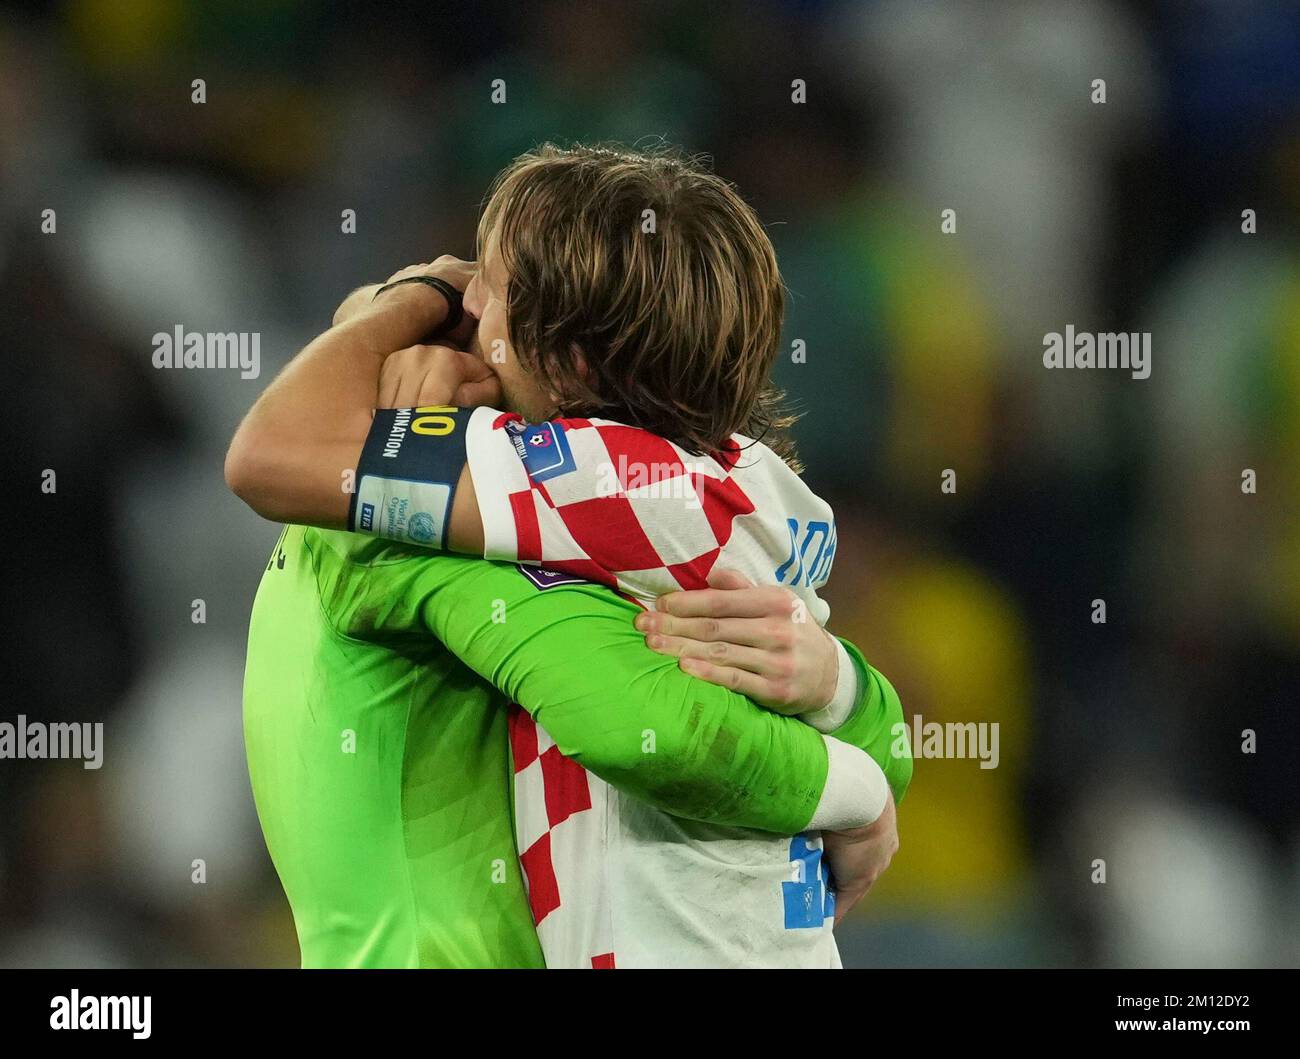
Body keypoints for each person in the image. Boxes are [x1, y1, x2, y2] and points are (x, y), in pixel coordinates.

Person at [227, 144, 910, 967]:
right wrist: (848, 693)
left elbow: (269, 450)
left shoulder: (581, 478)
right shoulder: (749, 480)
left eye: (490, 288)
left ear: (573, 366)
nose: (466, 299)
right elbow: (873, 728)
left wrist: (411, 303)